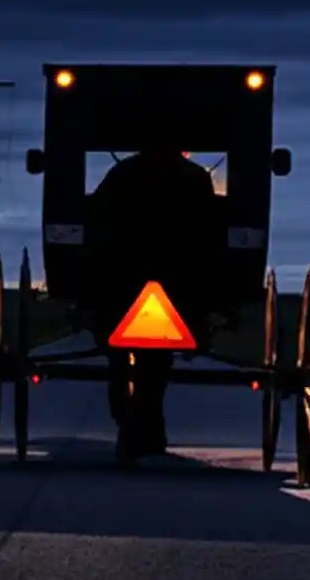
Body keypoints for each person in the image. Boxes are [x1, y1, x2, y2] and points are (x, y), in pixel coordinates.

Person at [82, 146, 223, 464]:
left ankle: (131, 418)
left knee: (118, 349)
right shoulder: (196, 178)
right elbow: (208, 234)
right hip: (180, 282)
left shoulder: (121, 174)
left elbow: (98, 224)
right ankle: (145, 425)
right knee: (156, 362)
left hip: (122, 277)